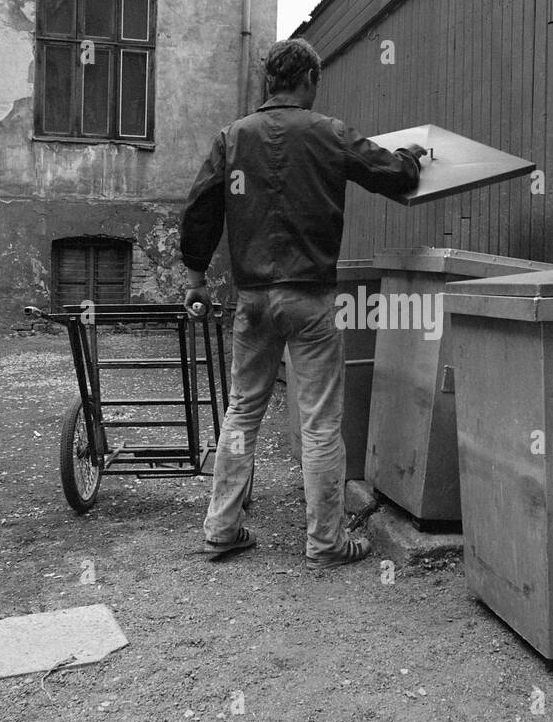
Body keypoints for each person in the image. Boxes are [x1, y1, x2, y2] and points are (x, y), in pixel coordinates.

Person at [180, 37, 427, 568]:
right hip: (310, 299)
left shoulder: (232, 137)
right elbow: (393, 174)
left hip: (252, 299)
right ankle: (325, 542)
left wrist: (197, 277)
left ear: (271, 81)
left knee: (242, 410)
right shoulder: (329, 133)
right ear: (310, 80)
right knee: (319, 422)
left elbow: (201, 207)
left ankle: (222, 528)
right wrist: (412, 157)